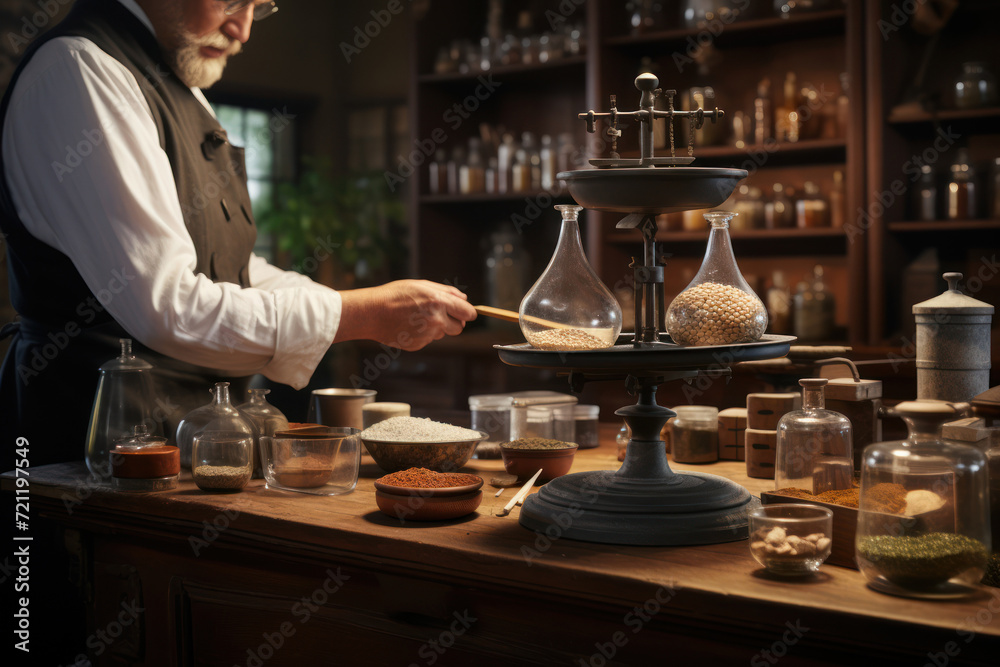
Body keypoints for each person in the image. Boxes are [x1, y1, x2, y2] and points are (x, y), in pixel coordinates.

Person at [0, 0, 478, 467]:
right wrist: (361, 314)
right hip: (92, 455)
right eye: (231, 3)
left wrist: (363, 304)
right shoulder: (80, 71)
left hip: (188, 444)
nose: (243, 30)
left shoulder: (177, 80)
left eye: (259, 7)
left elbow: (235, 269)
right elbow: (168, 307)